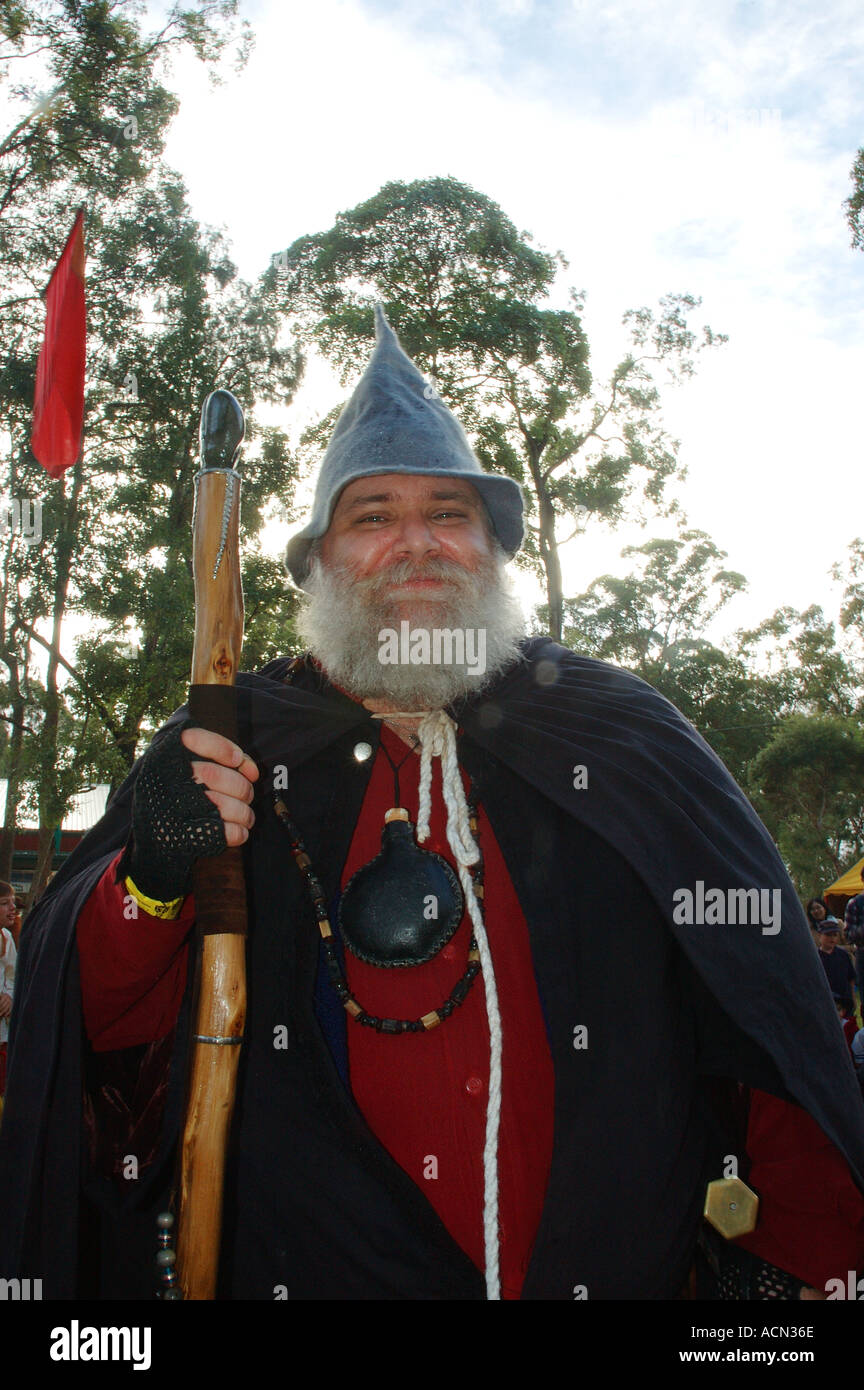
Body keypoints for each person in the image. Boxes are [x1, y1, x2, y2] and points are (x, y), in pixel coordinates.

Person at [1, 306, 864, 1303]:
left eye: (449, 514)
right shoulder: (228, 740)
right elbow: (91, 1026)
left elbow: (763, 1004)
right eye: (373, 518)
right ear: (320, 563)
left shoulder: (624, 735)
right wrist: (149, 878)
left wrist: (798, 1272)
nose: (417, 544)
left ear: (493, 552)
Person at [817, 919, 857, 1014]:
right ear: (819, 936)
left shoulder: (843, 954)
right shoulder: (815, 957)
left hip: (844, 1000)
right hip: (826, 1001)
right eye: (828, 935)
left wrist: (853, 997)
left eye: (834, 935)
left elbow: (851, 977)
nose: (832, 938)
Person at [0, 883, 17, 1102]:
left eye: (13, 902)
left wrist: (10, 997)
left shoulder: (6, 937)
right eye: (4, 903)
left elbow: (14, 975)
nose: (12, 908)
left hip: (3, 1035)